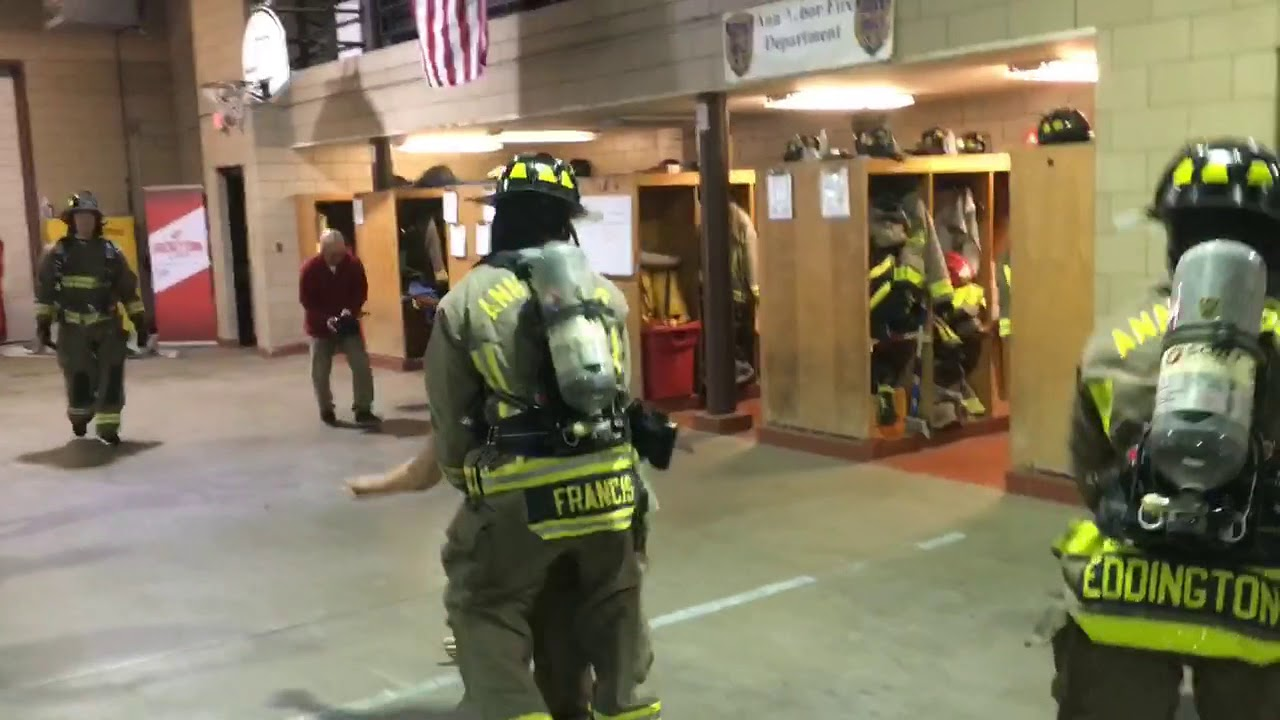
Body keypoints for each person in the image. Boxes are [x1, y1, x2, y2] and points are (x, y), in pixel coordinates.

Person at [426, 153, 662, 720]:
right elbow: (621, 392)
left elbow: (449, 417)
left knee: (482, 602)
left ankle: (512, 709)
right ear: (566, 220)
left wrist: (470, 481)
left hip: (519, 492)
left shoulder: (464, 301)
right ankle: (622, 704)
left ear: (501, 218)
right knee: (612, 605)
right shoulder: (604, 295)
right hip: (611, 489)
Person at [1050, 138, 1280, 718]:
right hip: (1260, 613)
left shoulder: (1113, 339)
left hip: (1121, 606)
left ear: (1174, 235)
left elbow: (1090, 473)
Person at [34, 191, 147, 445]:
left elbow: (128, 290)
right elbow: (46, 291)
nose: (84, 221)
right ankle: (80, 416)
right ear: (71, 221)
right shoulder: (57, 254)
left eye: (88, 216)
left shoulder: (111, 253)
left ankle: (108, 427)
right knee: (78, 376)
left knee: (112, 374)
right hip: (73, 328)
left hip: (107, 326)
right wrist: (42, 323)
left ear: (97, 220)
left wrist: (140, 321)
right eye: (79, 216)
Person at [299, 229, 380, 427]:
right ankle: (326, 409)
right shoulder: (310, 269)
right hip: (320, 327)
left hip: (347, 324)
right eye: (334, 255)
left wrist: (350, 310)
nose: (338, 258)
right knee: (319, 371)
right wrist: (326, 319)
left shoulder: (352, 264)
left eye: (341, 253)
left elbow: (361, 291)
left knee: (361, 365)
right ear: (323, 251)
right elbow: (307, 301)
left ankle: (363, 408)